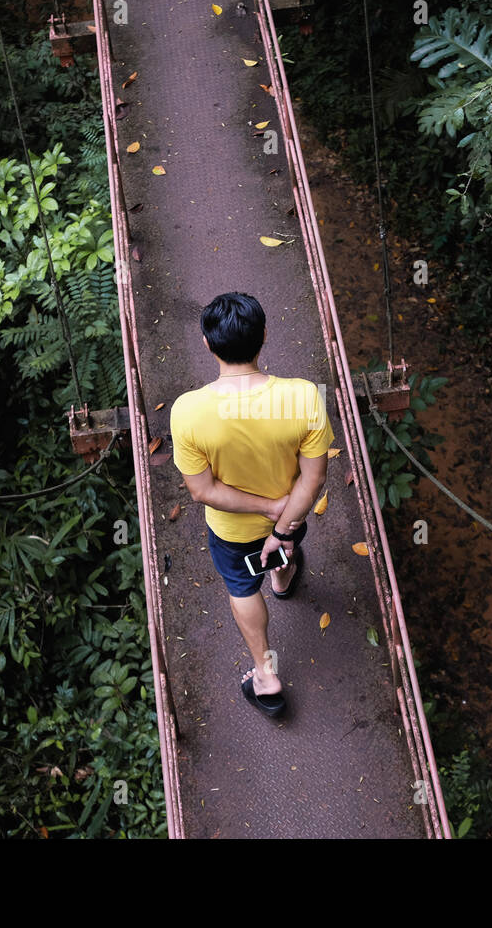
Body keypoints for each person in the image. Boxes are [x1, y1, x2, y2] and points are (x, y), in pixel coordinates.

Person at [170, 292, 333, 719]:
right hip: (289, 519)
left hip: (234, 531)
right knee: (281, 550)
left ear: (207, 345)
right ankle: (282, 578)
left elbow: (202, 491)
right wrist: (280, 522)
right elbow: (314, 478)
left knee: (242, 587)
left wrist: (265, 508)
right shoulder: (304, 397)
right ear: (264, 336)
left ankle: (266, 674)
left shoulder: (187, 412)